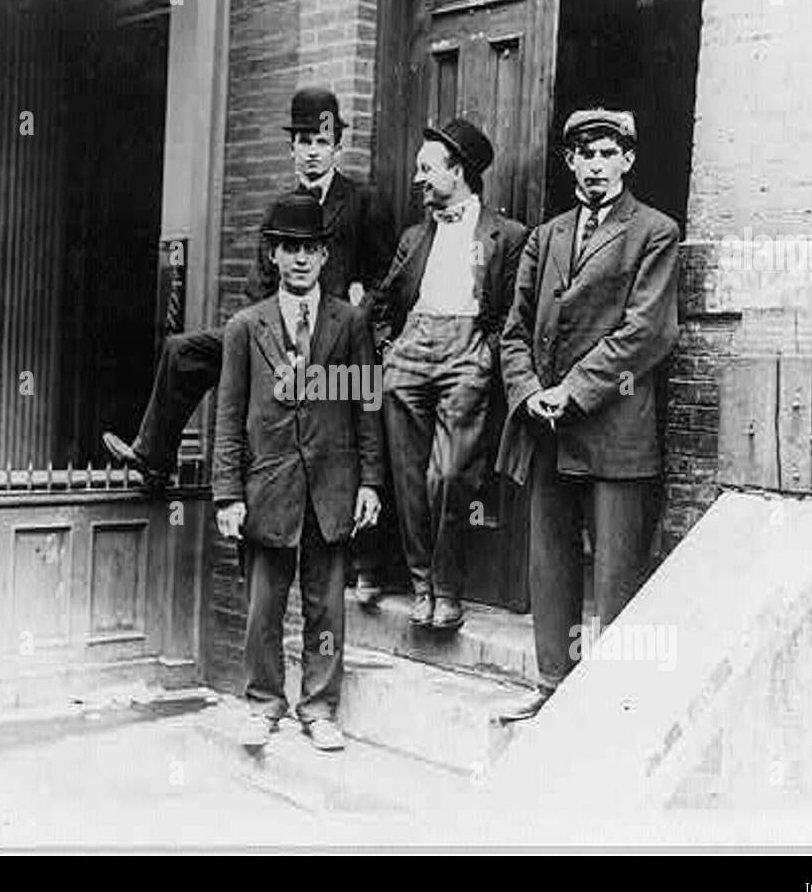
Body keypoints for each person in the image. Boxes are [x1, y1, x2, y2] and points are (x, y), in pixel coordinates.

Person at [102, 87, 395, 601]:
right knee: (183, 349)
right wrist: (262, 332)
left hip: (335, 344)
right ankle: (153, 458)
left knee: (357, 419)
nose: (310, 151)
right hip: (273, 336)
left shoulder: (364, 202)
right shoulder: (278, 212)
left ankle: (365, 561)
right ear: (291, 149)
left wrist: (356, 304)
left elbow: (385, 281)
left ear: (337, 146)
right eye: (301, 141)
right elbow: (258, 289)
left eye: (320, 140)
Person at [495, 108, 680, 722]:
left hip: (614, 427)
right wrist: (528, 394)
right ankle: (553, 686)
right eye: (585, 153)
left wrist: (571, 390)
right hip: (547, 428)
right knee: (549, 561)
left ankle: (613, 706)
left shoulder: (653, 232)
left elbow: (645, 333)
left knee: (617, 574)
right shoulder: (544, 238)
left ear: (628, 159)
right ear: (570, 161)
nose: (596, 165)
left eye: (609, 153)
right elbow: (513, 330)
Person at [212, 193, 383, 752]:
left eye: (310, 248)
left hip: (332, 486)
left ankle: (319, 707)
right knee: (264, 605)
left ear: (326, 255)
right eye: (290, 249)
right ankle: (264, 703)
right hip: (268, 486)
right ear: (275, 255)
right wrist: (227, 494)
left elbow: (367, 403)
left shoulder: (351, 323)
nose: (301, 259)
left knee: (326, 604)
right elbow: (229, 415)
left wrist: (371, 482)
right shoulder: (245, 327)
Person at [372, 119, 527, 632]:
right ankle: (421, 585)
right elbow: (382, 301)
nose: (417, 178)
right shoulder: (415, 236)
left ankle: (447, 586)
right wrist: (388, 349)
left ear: (458, 171)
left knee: (449, 475)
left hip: (467, 351)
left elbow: (514, 311)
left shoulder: (507, 236)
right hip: (411, 351)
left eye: (426, 168)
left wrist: (485, 353)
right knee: (408, 475)